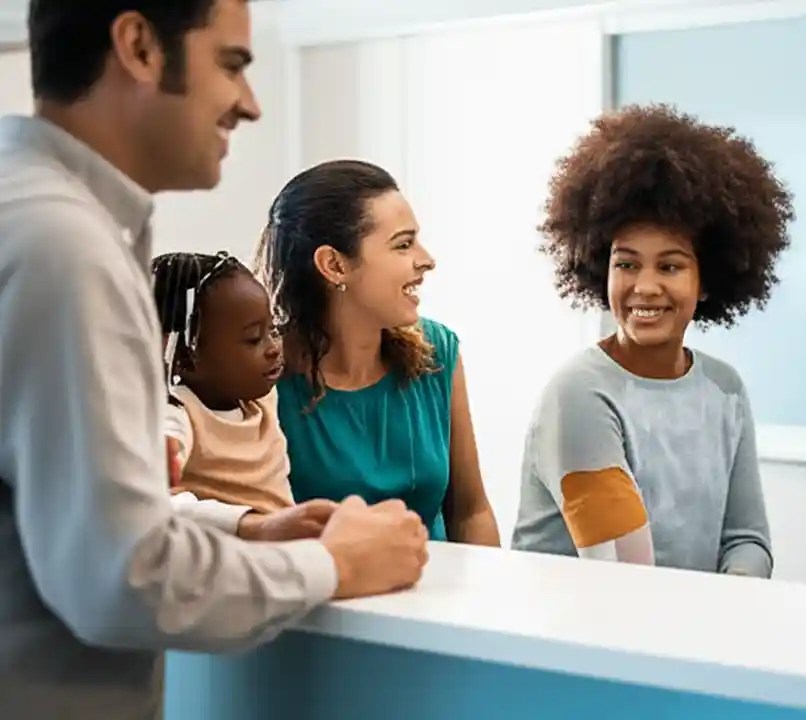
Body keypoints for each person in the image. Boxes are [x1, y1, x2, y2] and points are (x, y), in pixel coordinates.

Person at [0, 2, 427, 717]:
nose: (251, 105)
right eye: (231, 65)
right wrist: (331, 564)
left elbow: (66, 516)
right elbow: (121, 578)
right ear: (138, 45)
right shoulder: (63, 248)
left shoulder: (36, 215)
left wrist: (248, 528)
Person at [509, 103, 792, 576]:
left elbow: (746, 538)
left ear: (705, 281)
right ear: (601, 267)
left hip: (682, 630)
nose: (644, 286)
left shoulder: (725, 387)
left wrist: (736, 595)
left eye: (670, 265)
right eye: (626, 263)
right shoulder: (579, 391)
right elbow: (622, 567)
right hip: (582, 637)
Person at [255, 159, 501, 546]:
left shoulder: (439, 353)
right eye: (403, 244)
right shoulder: (264, 379)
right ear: (334, 265)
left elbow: (471, 512)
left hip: (442, 602)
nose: (426, 259)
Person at [153, 250, 334, 540]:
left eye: (272, 330)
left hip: (283, 555)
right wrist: (255, 526)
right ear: (187, 359)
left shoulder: (261, 400)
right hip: (235, 562)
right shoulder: (178, 415)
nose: (273, 347)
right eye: (253, 339)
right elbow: (153, 501)